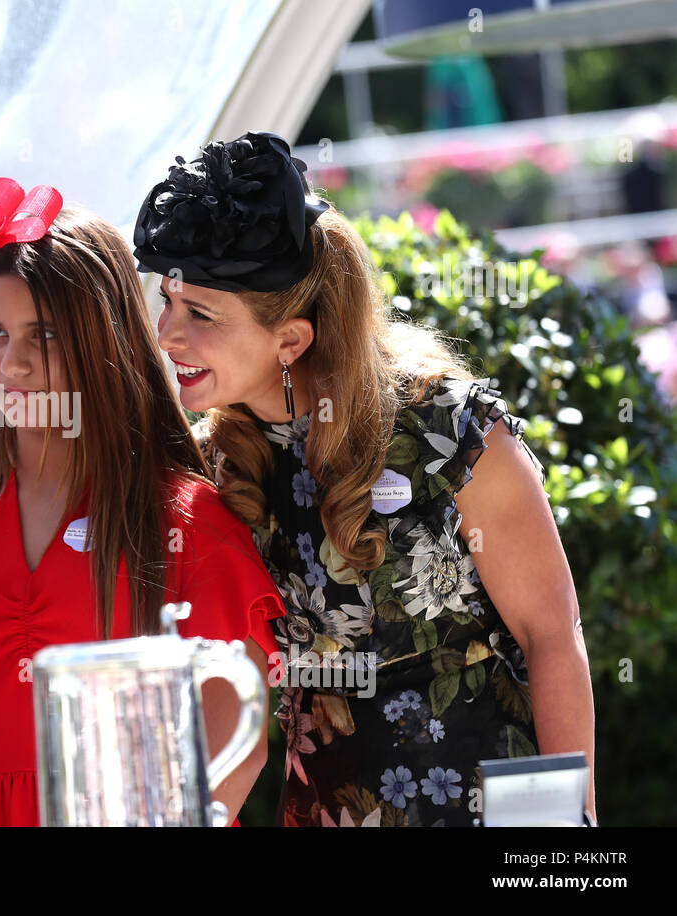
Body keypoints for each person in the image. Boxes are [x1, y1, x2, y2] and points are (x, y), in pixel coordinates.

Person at [132, 131, 597, 827]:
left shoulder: (449, 431)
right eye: (169, 302)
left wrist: (568, 835)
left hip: (491, 814)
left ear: (291, 340)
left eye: (200, 314)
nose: (167, 333)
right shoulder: (215, 466)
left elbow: (552, 635)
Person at [0, 179, 285, 827]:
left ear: (104, 344)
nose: (14, 364)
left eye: (45, 335)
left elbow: (235, 740)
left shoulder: (189, 523)